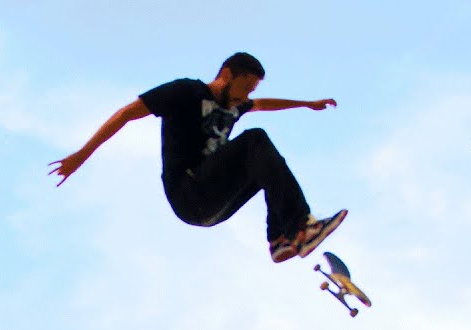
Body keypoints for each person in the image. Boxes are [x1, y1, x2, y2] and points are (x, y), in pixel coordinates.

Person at [49, 52, 347, 263]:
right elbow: (127, 113)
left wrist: (306, 104)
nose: (245, 97)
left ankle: (280, 240)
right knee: (256, 140)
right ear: (226, 75)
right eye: (244, 87)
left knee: (264, 166)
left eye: (250, 91)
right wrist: (81, 155)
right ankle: (299, 226)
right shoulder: (185, 91)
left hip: (213, 203)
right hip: (188, 192)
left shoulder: (237, 104)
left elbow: (262, 104)